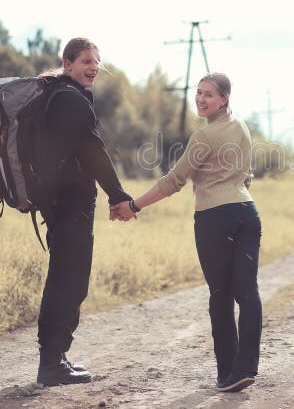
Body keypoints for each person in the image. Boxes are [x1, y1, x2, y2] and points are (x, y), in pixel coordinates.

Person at [111, 72, 262, 393]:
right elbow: (244, 176)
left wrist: (134, 205)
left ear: (224, 99)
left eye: (209, 94)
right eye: (198, 92)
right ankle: (246, 366)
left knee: (221, 294)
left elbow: (173, 181)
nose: (201, 99)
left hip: (216, 218)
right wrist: (222, 188)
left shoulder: (204, 137)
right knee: (247, 293)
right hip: (248, 213)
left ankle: (230, 373)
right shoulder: (241, 128)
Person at [36, 37, 134, 386]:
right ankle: (51, 363)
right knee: (70, 280)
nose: (93, 68)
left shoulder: (58, 95)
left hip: (59, 201)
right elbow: (93, 151)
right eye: (86, 62)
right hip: (71, 203)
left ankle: (54, 358)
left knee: (64, 276)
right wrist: (118, 196)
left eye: (96, 62)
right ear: (68, 64)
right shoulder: (70, 100)